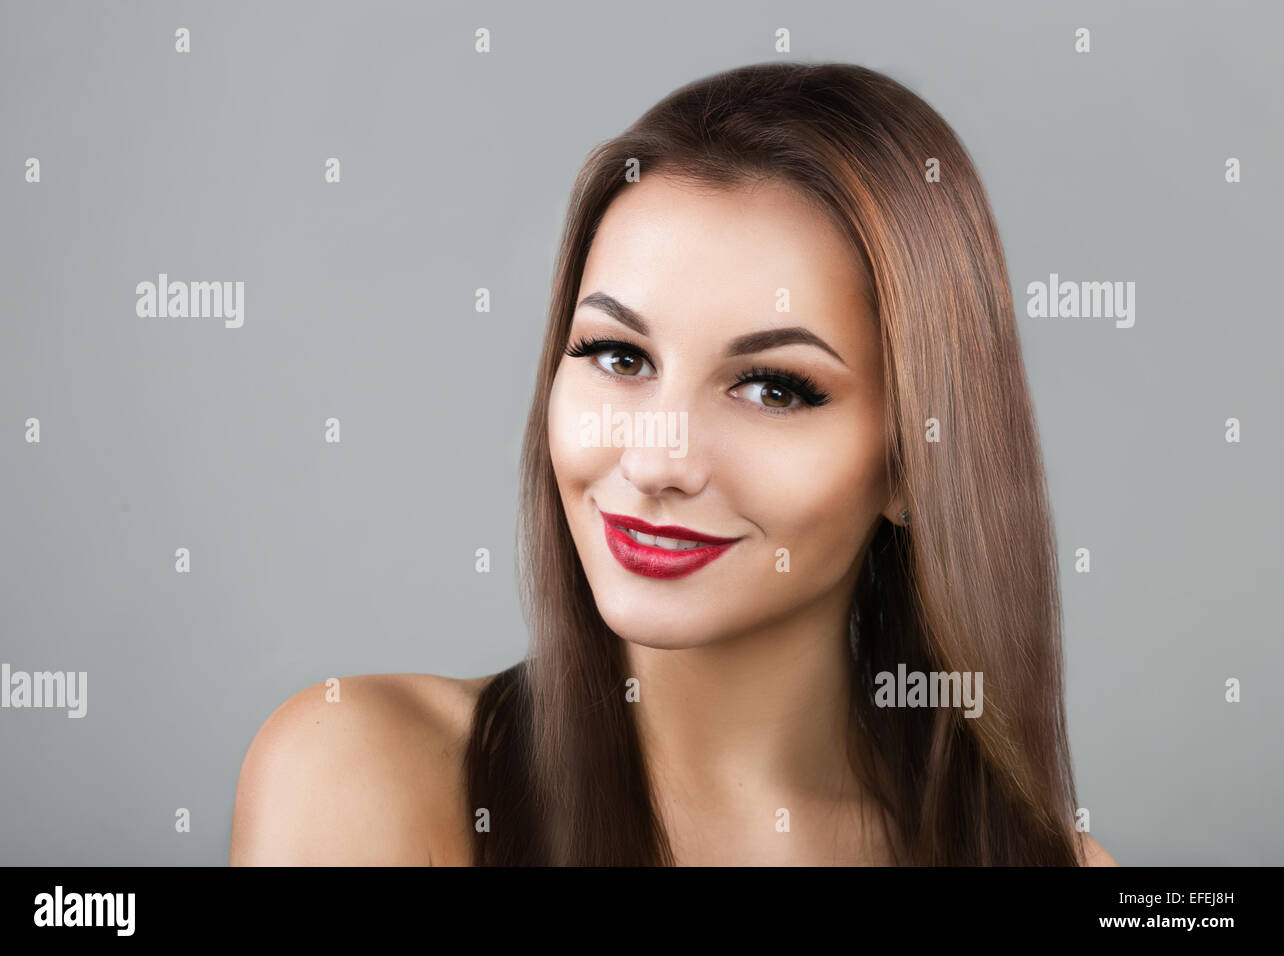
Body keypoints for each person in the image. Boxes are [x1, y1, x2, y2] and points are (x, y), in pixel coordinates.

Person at [230, 62, 1117, 866]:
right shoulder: (358, 772)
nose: (659, 463)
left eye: (773, 388)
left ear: (912, 465)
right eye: (619, 357)